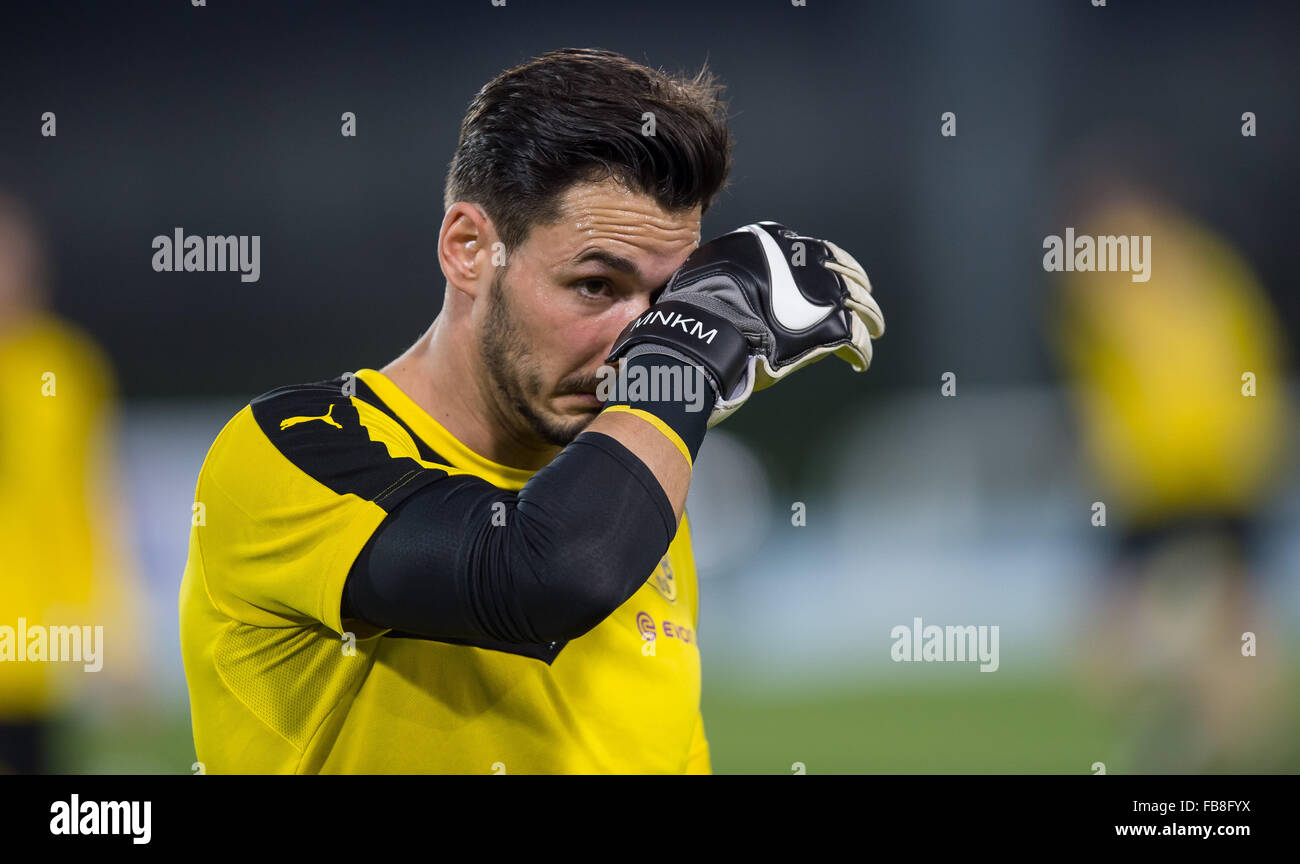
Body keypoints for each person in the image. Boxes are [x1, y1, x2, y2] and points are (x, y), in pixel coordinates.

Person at [178, 48, 884, 773]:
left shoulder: (631, 481)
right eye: (595, 286)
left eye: (672, 299)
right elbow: (541, 575)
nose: (636, 341)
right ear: (469, 249)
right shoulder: (292, 451)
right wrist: (688, 358)